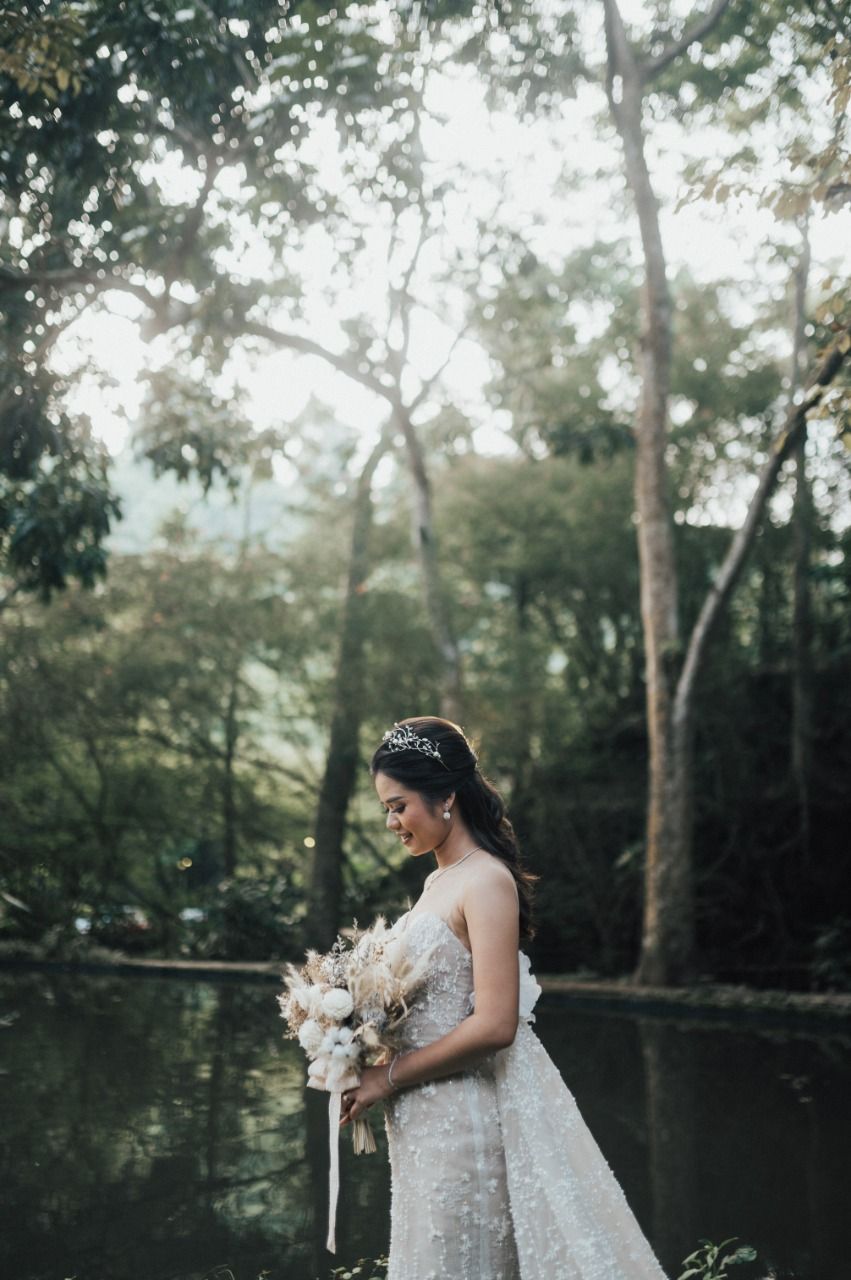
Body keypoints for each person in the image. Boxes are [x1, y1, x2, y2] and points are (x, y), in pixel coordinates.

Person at [339, 715, 668, 1280]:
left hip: (461, 1125)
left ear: (445, 797)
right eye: (386, 810)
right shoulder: (436, 883)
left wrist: (387, 1077)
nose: (392, 822)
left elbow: (496, 1024)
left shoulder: (486, 880)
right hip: (422, 1124)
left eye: (399, 805)